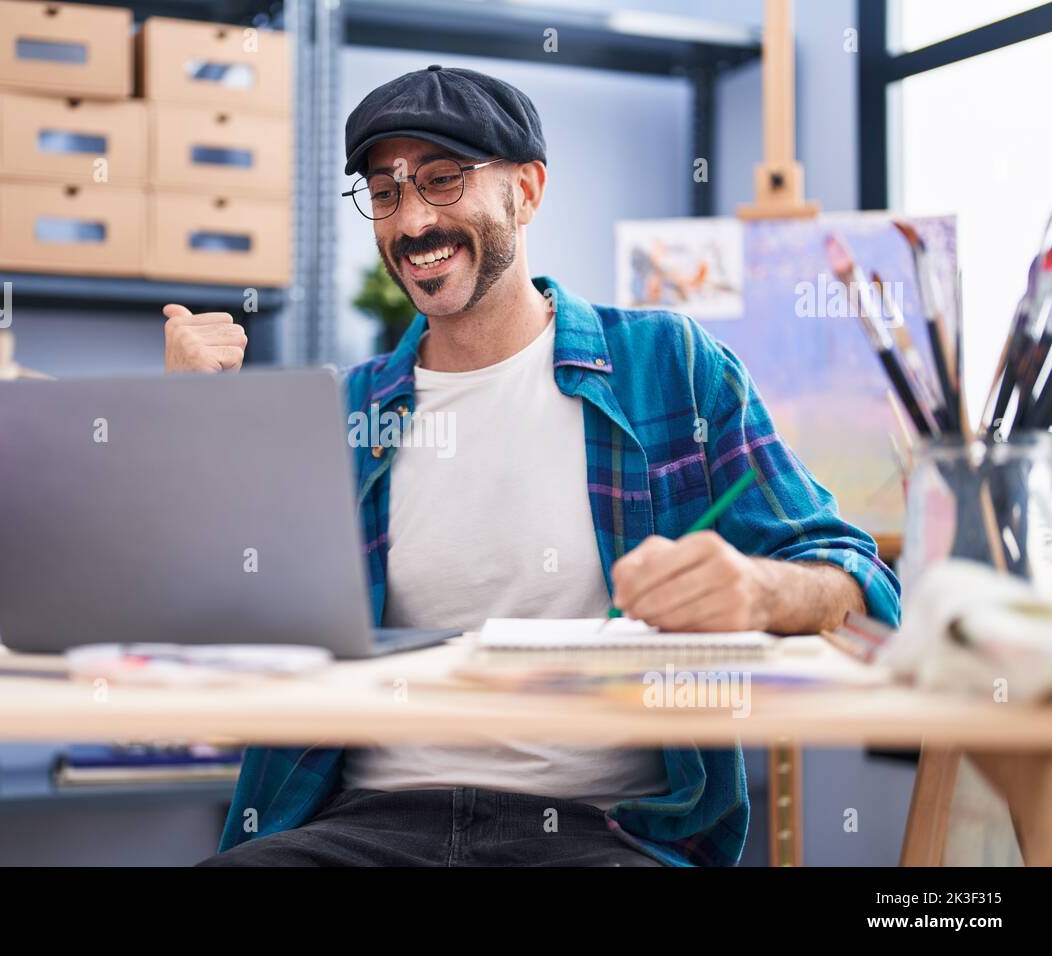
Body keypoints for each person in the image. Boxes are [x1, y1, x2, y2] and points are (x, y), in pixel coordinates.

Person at [166, 66, 901, 866]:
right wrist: (191, 430)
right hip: (367, 823)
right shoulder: (348, 412)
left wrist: (762, 590)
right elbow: (220, 628)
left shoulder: (670, 365)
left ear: (527, 189)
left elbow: (861, 583)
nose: (412, 221)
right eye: (386, 193)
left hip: (598, 830)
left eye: (443, 181)